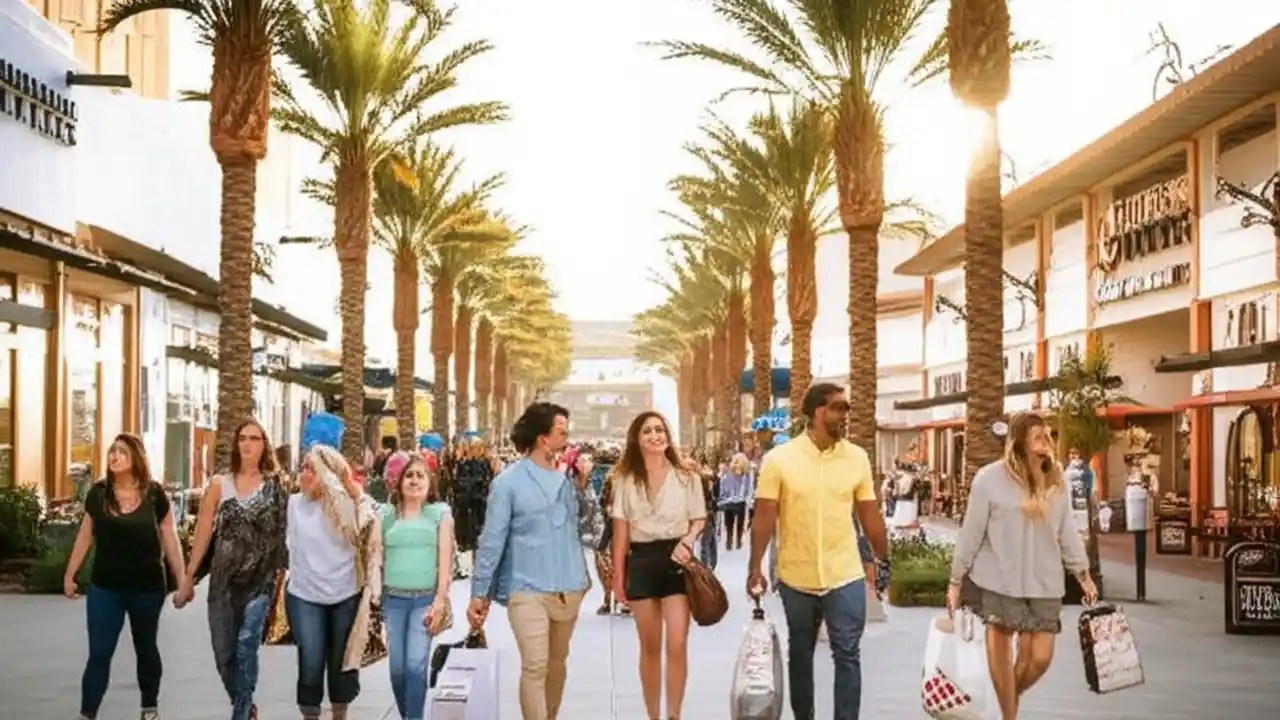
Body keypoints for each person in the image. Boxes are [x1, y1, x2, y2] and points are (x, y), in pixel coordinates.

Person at [746, 384, 888, 720]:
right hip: (796, 575)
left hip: (845, 572)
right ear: (817, 412)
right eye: (838, 408)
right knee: (801, 653)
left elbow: (869, 513)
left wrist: (882, 558)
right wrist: (755, 568)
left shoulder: (857, 458)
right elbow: (765, 516)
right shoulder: (779, 459)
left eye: (846, 409)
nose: (844, 416)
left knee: (848, 653)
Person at [947, 413, 1097, 720]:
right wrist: (955, 579)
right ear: (1019, 442)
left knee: (1040, 658)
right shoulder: (990, 479)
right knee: (1001, 656)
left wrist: (1083, 574)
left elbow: (1066, 530)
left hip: (1045, 583)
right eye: (1038, 437)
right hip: (1000, 581)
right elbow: (971, 532)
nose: (1046, 444)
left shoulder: (1056, 479)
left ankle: (1004, 701)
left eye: (1047, 437)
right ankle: (1008, 715)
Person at [468, 402, 592, 720]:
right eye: (562, 432)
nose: (568, 438)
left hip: (569, 584)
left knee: (556, 663)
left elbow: (587, 526)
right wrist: (479, 592)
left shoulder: (567, 479)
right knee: (534, 665)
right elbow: (492, 540)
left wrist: (581, 484)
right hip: (526, 587)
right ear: (542, 438)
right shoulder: (508, 483)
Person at [65, 433, 188, 720]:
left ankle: (149, 707)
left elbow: (170, 539)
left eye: (121, 452)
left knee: (146, 647)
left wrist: (183, 580)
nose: (114, 456)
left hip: (146, 588)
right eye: (112, 451)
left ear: (136, 458)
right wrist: (70, 573)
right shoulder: (98, 494)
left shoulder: (155, 495)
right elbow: (85, 536)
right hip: (105, 588)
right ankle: (88, 712)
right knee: (99, 652)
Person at [181, 419, 289, 720]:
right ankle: (246, 704)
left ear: (264, 444)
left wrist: (285, 576)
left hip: (261, 581)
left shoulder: (276, 486)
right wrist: (188, 577)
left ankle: (240, 713)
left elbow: (286, 531)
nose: (247, 444)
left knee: (246, 644)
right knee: (224, 655)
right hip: (224, 582)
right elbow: (203, 531)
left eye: (254, 438)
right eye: (242, 438)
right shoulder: (220, 484)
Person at [611, 411, 707, 720]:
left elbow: (699, 518)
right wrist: (618, 578)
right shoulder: (625, 479)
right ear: (636, 440)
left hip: (676, 561)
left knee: (677, 642)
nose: (655, 435)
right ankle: (653, 715)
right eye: (648, 431)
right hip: (640, 561)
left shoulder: (686, 476)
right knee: (650, 646)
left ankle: (674, 715)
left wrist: (689, 539)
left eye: (660, 429)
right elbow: (620, 534)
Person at [285, 444, 382, 720]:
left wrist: (356, 491)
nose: (303, 474)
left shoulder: (351, 506)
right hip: (304, 596)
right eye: (302, 467)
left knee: (343, 663)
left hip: (345, 595)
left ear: (327, 474)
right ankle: (310, 715)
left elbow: (374, 522)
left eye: (310, 469)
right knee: (310, 659)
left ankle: (340, 714)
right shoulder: (293, 504)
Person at [381, 452, 454, 720]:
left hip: (424, 601)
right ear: (399, 482)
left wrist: (439, 600)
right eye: (409, 475)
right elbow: (377, 557)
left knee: (415, 666)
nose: (414, 480)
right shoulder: (386, 516)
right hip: (394, 601)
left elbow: (445, 562)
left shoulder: (440, 514)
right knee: (397, 670)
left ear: (429, 482)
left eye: (420, 475)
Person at [718, 453, 753, 551]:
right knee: (739, 524)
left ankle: (730, 541)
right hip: (739, 501)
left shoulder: (729, 472)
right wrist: (749, 500)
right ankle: (737, 541)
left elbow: (723, 485)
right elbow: (749, 487)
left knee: (729, 523)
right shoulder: (747, 472)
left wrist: (722, 497)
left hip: (729, 501)